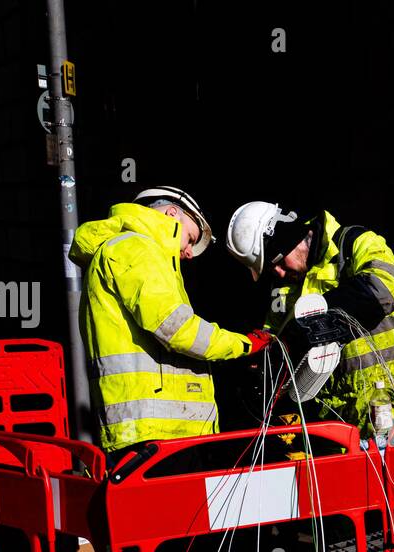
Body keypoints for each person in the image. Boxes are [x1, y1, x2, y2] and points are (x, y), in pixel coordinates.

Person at [69, 186, 270, 464]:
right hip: (153, 434)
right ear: (172, 213)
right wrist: (244, 345)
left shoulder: (130, 250)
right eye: (190, 239)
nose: (189, 253)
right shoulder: (136, 249)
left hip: (150, 431)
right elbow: (179, 331)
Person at [225, 202, 394, 431]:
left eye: (277, 260)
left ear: (293, 236)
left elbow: (385, 289)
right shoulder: (286, 288)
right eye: (270, 268)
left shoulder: (355, 243)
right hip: (336, 425)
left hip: (393, 407)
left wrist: (312, 323)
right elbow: (275, 340)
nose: (278, 272)